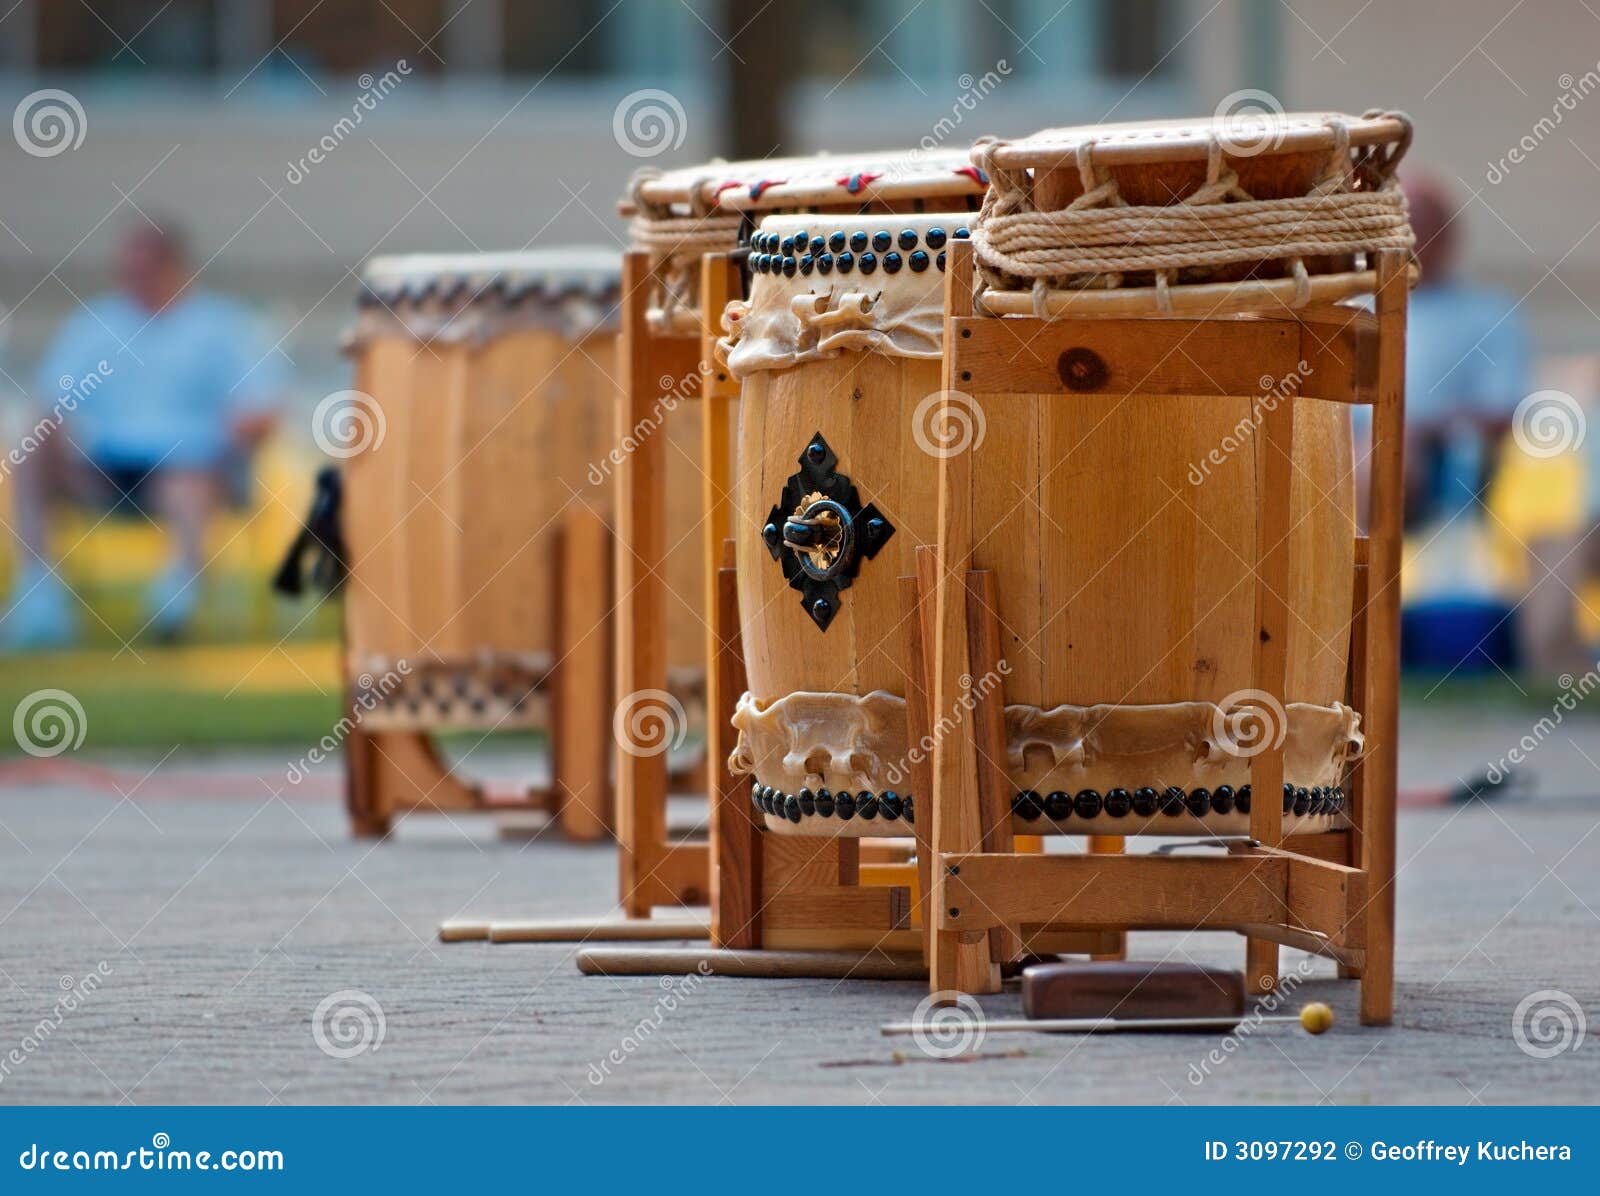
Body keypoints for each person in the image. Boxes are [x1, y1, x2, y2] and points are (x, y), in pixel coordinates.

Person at [1, 219, 284, 648]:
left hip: (191, 466)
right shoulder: (96, 322)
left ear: (175, 267)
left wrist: (230, 439)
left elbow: (262, 407)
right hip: (107, 466)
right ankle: (38, 591)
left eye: (146, 269)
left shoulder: (223, 325)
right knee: (31, 447)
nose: (136, 280)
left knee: (187, 479)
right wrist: (50, 432)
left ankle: (178, 593)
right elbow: (52, 401)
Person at [1354, 173, 1532, 672]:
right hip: (1346, 449)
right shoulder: (1353, 306)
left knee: (1389, 443)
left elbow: (1503, 414)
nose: (1413, 241)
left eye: (1424, 229)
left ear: (1449, 237)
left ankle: (1354, 584)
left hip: (1440, 467)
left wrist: (1415, 428)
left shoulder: (1486, 313)